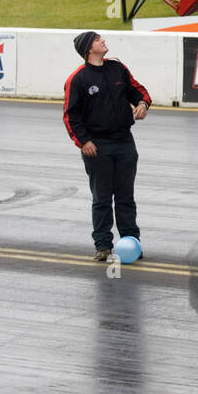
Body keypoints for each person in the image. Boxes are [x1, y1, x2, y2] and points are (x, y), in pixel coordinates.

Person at [63, 32, 152, 261]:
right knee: (102, 198)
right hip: (98, 146)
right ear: (88, 49)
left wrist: (142, 104)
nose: (103, 41)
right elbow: (71, 116)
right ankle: (103, 246)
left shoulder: (118, 68)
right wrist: (84, 142)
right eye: (97, 39)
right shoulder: (78, 79)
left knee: (125, 197)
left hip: (124, 141)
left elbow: (138, 90)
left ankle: (132, 243)